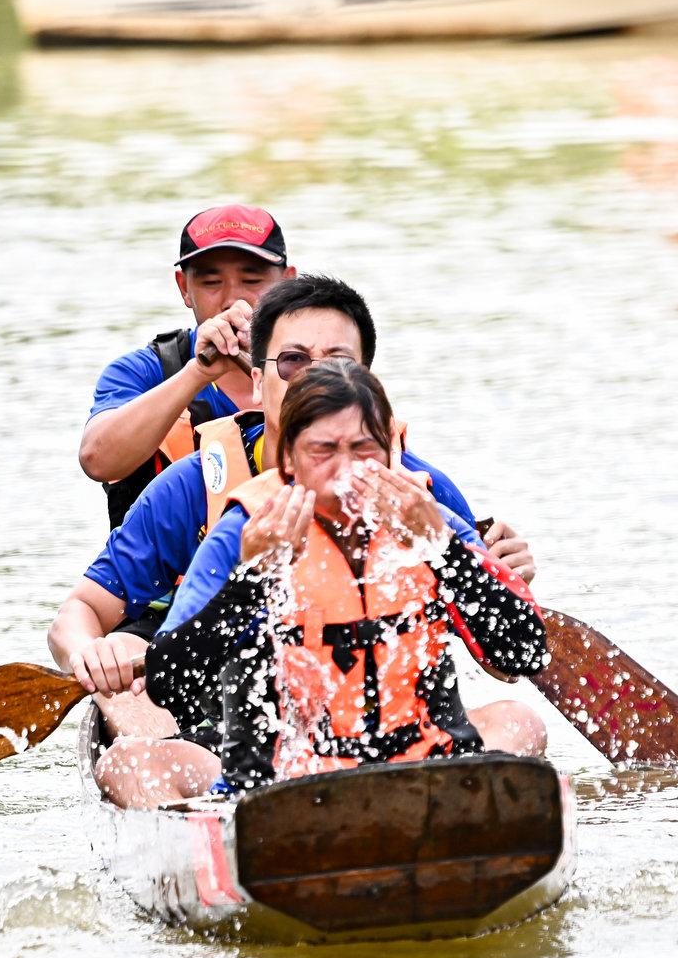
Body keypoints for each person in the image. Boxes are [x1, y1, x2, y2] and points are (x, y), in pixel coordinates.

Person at [48, 275, 538, 745]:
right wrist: (256, 572)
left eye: (337, 360)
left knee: (520, 725)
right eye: (293, 362)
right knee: (133, 752)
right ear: (258, 383)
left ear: (365, 382)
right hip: (259, 743)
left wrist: (462, 561)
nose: (316, 379)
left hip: (400, 736)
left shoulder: (422, 498)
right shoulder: (222, 505)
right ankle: (199, 815)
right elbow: (169, 675)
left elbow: (512, 659)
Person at [114, 360, 551, 806]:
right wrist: (251, 581)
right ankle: (204, 856)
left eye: (364, 449)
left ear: (390, 452)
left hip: (424, 773)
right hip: (280, 790)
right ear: (289, 459)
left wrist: (443, 551)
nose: (346, 471)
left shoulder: (427, 520)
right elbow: (171, 685)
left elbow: (525, 652)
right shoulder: (246, 529)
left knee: (522, 723)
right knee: (123, 762)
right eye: (323, 451)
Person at [80, 204, 295, 529]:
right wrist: (200, 371)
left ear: (288, 283)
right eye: (211, 282)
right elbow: (97, 461)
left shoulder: (319, 363)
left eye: (251, 280)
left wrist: (273, 371)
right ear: (184, 288)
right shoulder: (141, 371)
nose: (232, 301)